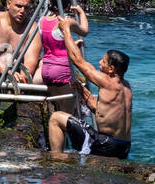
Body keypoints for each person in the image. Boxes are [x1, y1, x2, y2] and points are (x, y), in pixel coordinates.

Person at [47, 26, 132, 159]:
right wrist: (81, 89)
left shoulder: (107, 81)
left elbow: (77, 60)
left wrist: (66, 31)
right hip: (124, 146)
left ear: (111, 69)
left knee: (56, 118)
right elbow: (99, 110)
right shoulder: (126, 87)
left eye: (103, 61)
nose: (99, 62)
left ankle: (56, 160)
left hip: (105, 144)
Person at [33, 3, 89, 113]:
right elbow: (84, 31)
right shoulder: (66, 21)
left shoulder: (42, 20)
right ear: (67, 7)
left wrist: (73, 43)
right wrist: (81, 12)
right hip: (61, 70)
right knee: (66, 114)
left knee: (57, 109)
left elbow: (56, 42)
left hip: (46, 70)